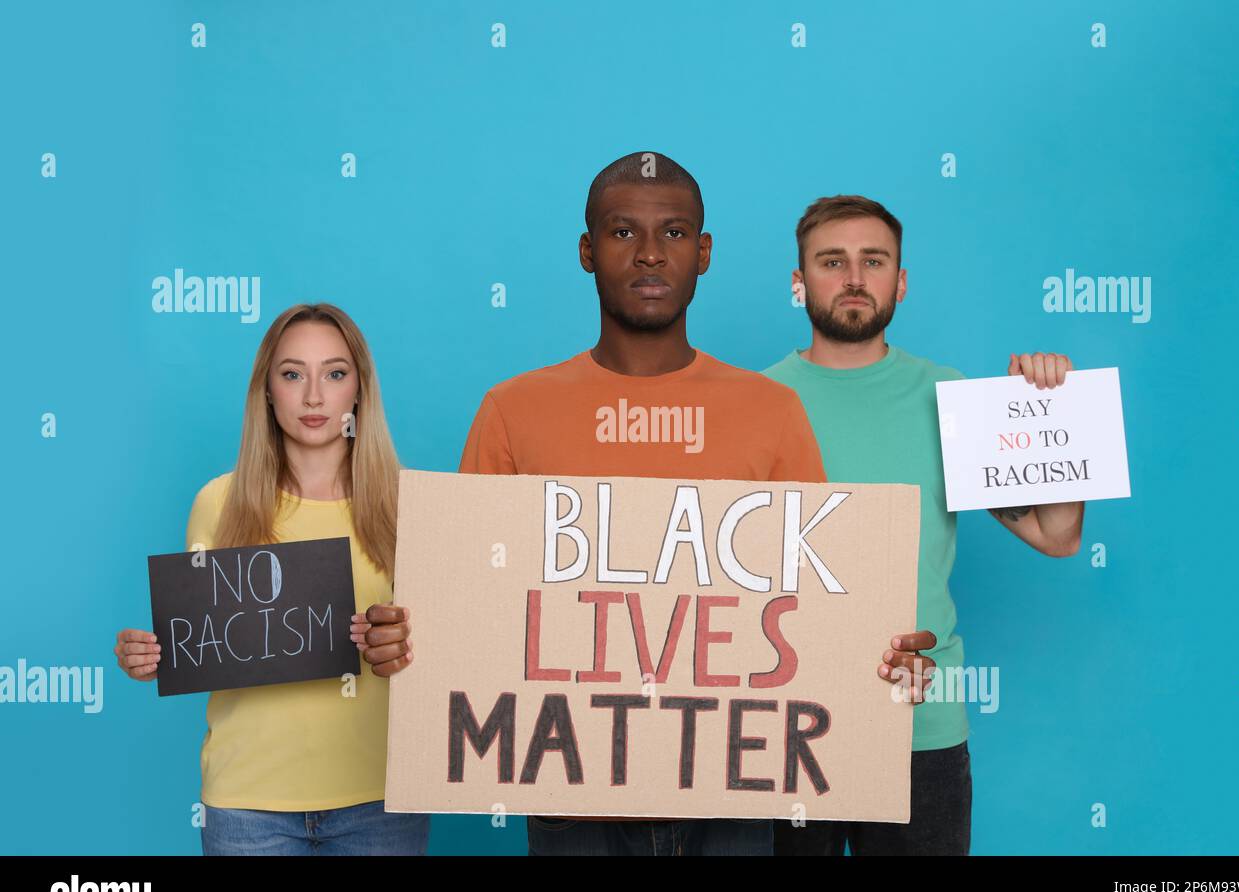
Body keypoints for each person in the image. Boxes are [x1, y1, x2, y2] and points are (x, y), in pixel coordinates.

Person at [355, 151, 856, 855]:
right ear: (588, 251)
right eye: (624, 233)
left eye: (675, 233)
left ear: (704, 252)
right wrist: (409, 637)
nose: (650, 254)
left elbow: (817, 599)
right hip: (570, 787)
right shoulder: (512, 410)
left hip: (731, 790)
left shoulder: (773, 412)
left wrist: (879, 657)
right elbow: (465, 596)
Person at [762, 195, 1085, 855]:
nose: (854, 277)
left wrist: (1056, 413)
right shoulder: (753, 405)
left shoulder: (953, 400)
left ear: (899, 282)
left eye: (873, 261)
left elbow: (1058, 535)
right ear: (799, 283)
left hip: (919, 727)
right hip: (783, 729)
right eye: (831, 261)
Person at [113, 302, 429, 855]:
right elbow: (201, 639)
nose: (313, 396)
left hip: (381, 799)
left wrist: (403, 645)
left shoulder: (411, 508)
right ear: (267, 390)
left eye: (334, 374)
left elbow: (452, 662)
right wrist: (150, 654)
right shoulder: (218, 503)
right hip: (247, 806)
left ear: (359, 390)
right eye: (292, 374)